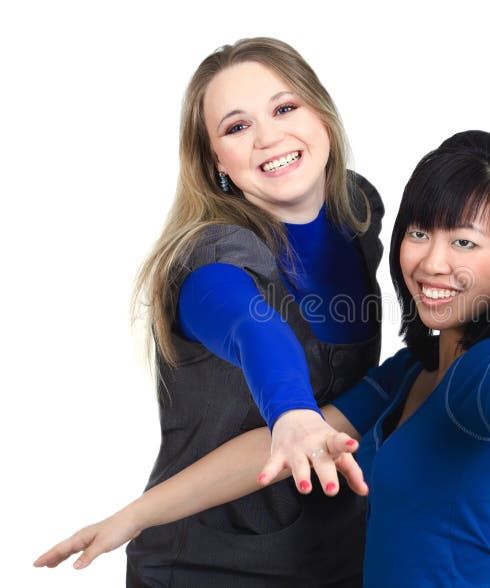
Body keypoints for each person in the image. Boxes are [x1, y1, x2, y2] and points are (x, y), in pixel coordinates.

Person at [35, 131, 490, 587]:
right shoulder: (410, 375)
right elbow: (280, 443)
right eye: (421, 231)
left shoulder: (486, 372)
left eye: (464, 243)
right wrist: (134, 516)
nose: (430, 260)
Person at [42, 37, 385, 587]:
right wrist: (293, 412)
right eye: (236, 126)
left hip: (340, 551)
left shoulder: (358, 215)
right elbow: (253, 326)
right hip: (213, 564)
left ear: (323, 115)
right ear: (214, 161)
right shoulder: (210, 260)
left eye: (284, 107)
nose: (270, 136)